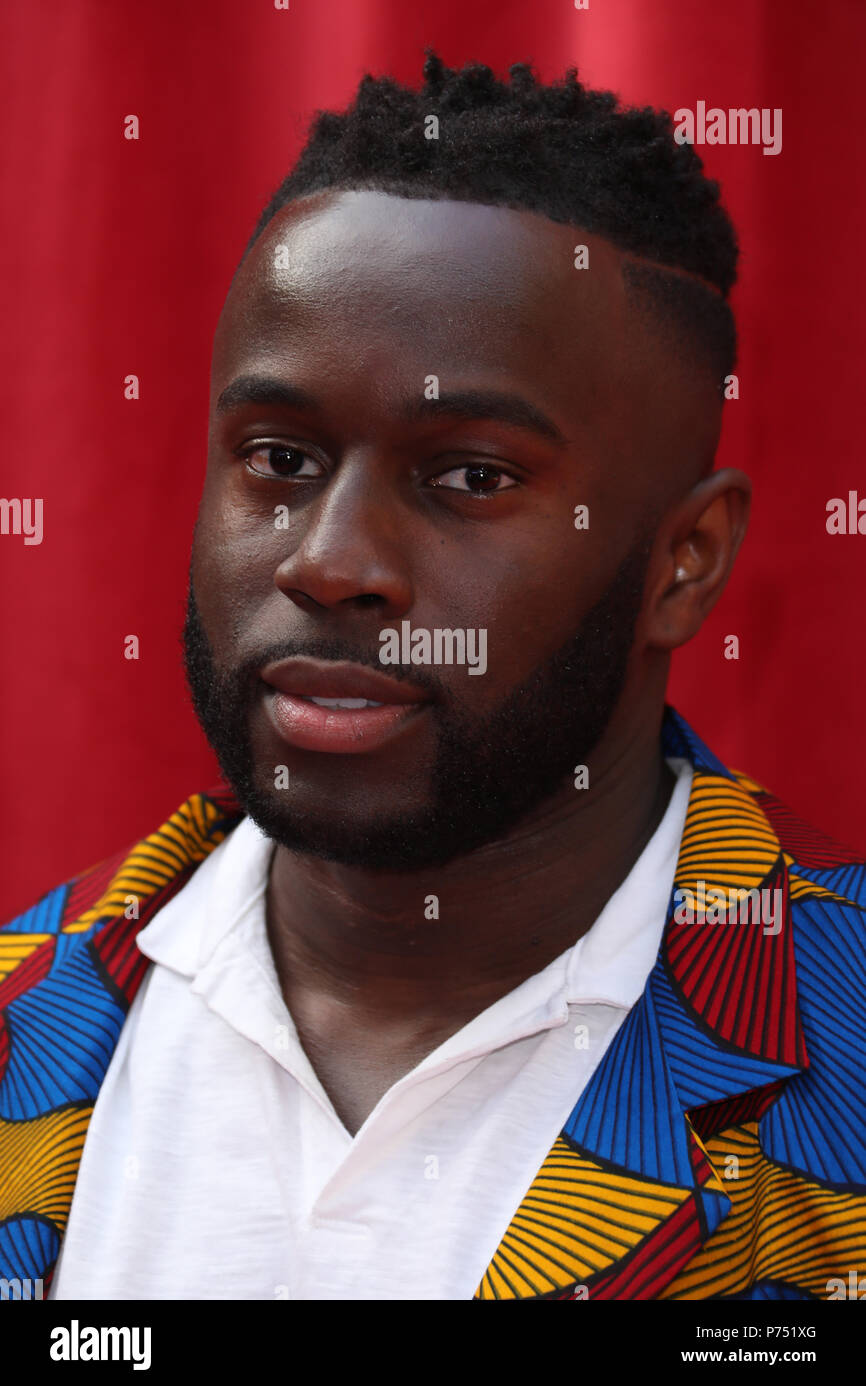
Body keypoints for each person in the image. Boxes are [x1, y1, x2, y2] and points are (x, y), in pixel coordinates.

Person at [2, 51, 864, 1303]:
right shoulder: (29, 1011)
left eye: (468, 475)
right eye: (280, 457)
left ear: (683, 562)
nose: (331, 562)